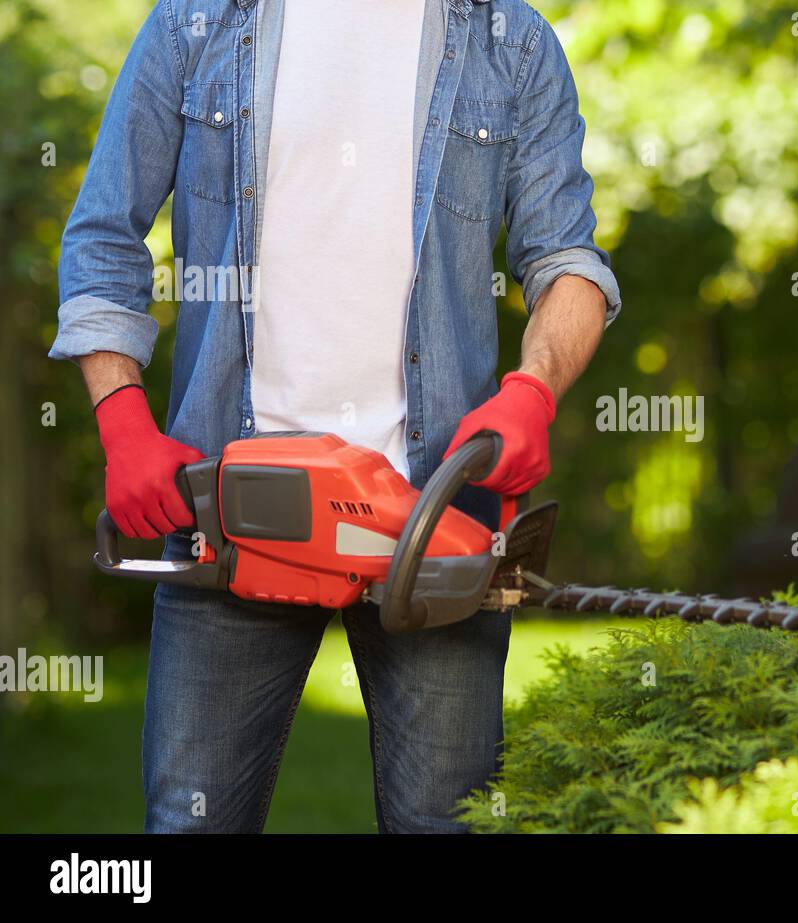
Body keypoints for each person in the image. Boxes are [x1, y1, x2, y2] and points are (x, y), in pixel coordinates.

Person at [49, 0, 619, 833]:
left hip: (436, 528)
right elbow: (102, 237)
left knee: (446, 824)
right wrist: (123, 422)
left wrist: (533, 388)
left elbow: (568, 261)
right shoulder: (196, 24)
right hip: (230, 516)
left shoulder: (512, 43)